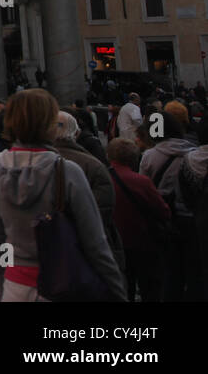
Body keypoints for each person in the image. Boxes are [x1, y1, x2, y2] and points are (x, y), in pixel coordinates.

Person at [0, 89, 125, 301]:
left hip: (16, 285)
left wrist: (3, 285)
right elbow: (95, 243)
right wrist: (117, 291)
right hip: (62, 283)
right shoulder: (67, 171)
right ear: (48, 124)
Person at [138, 102, 201, 300]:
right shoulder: (192, 153)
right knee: (194, 270)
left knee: (169, 271)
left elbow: (144, 188)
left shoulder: (148, 156)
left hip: (162, 218)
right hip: (190, 217)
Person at [54, 111, 125, 277]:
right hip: (87, 254)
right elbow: (102, 213)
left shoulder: (31, 165)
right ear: (76, 133)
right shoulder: (93, 166)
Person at [107, 137, 169, 302]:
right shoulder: (141, 182)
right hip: (143, 242)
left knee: (122, 288)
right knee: (149, 288)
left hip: (113, 243)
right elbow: (163, 211)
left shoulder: (102, 178)